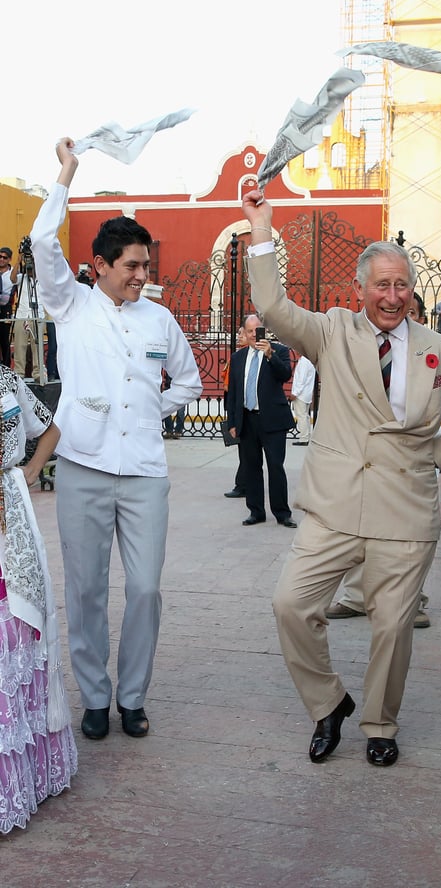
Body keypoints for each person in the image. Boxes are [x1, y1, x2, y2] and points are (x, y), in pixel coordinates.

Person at [242, 188, 441, 767]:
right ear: (360, 290)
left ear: (413, 290)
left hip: (404, 509)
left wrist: (434, 454)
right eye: (380, 285)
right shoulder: (333, 330)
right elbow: (275, 308)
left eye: (401, 285)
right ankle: (328, 703)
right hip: (335, 505)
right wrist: (261, 230)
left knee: (393, 627)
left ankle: (381, 723)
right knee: (290, 604)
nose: (391, 296)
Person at [30, 138, 202, 742]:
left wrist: (157, 410)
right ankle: (96, 698)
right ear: (100, 265)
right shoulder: (69, 304)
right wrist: (67, 173)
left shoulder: (160, 318)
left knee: (147, 588)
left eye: (145, 266)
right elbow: (41, 243)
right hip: (82, 466)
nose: (141, 275)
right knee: (84, 588)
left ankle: (134, 695)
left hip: (145, 471)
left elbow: (188, 380)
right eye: (131, 266)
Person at [325, 291, 433, 630]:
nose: (406, 318)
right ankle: (358, 596)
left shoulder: (434, 353)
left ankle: (410, 600)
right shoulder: (369, 350)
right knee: (362, 529)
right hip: (365, 462)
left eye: (414, 313)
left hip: (406, 468)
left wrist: (436, 458)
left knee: (404, 541)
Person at [0, 367, 78, 834]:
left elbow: (49, 429)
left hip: (11, 515)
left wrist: (27, 473)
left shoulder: (7, 382)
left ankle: (26, 776)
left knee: (16, 624)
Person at [225, 314, 297, 527]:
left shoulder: (280, 351)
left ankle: (282, 514)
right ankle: (256, 511)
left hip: (273, 421)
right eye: (250, 331)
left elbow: (284, 375)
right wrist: (232, 423)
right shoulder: (238, 358)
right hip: (247, 420)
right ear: (245, 334)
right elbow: (234, 393)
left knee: (276, 466)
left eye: (258, 330)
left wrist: (270, 355)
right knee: (251, 467)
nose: (254, 335)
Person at [224, 325, 247, 498]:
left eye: (241, 333)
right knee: (244, 452)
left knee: (246, 453)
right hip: (236, 410)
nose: (238, 337)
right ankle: (242, 483)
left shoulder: (250, 357)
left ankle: (242, 485)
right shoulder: (237, 357)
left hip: (247, 413)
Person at [290, 354, 315, 446]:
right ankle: (307, 436)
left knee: (301, 416)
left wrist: (295, 393)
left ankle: (304, 438)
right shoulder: (309, 360)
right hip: (306, 393)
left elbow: (301, 380)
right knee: (305, 416)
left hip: (301, 394)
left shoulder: (304, 361)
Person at [0, 246, 16, 367]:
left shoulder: (13, 273)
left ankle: (6, 366)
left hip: (5, 308)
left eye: (4, 257)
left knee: (5, 339)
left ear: (9, 259)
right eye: (0, 257)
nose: (1, 259)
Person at [162, 372, 186, 439]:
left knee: (180, 411)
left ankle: (178, 431)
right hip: (169, 386)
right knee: (167, 409)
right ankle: (169, 430)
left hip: (181, 387)